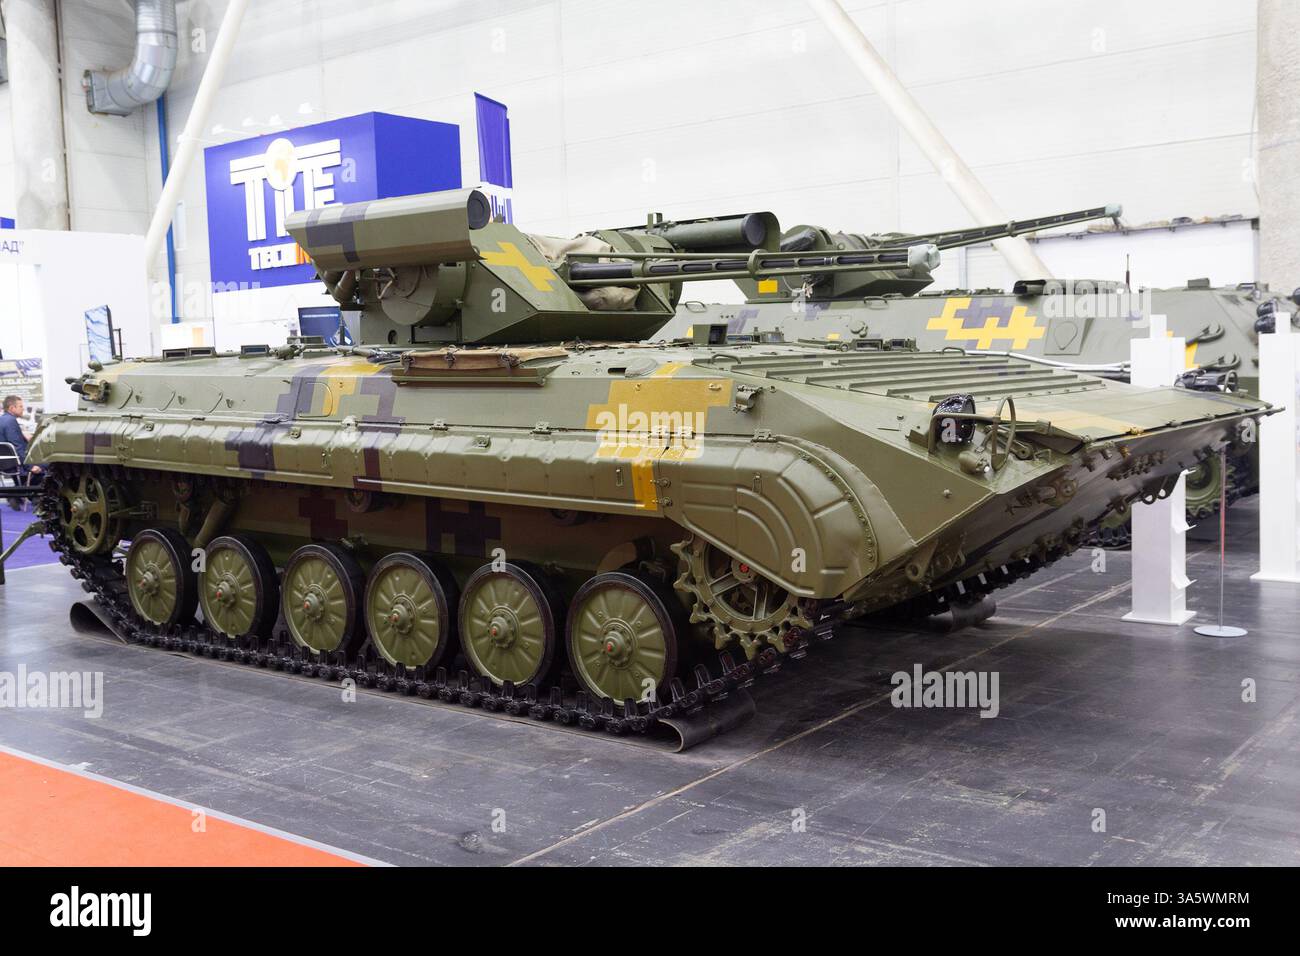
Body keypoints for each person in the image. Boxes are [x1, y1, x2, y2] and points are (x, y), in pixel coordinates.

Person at [0, 395, 41, 510]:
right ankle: (32, 498)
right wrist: (30, 466)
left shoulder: (3, 420)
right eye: (20, 406)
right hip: (14, 464)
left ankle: (15, 496)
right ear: (12, 408)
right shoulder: (11, 421)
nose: (23, 409)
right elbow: (18, 447)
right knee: (46, 466)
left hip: (4, 463)